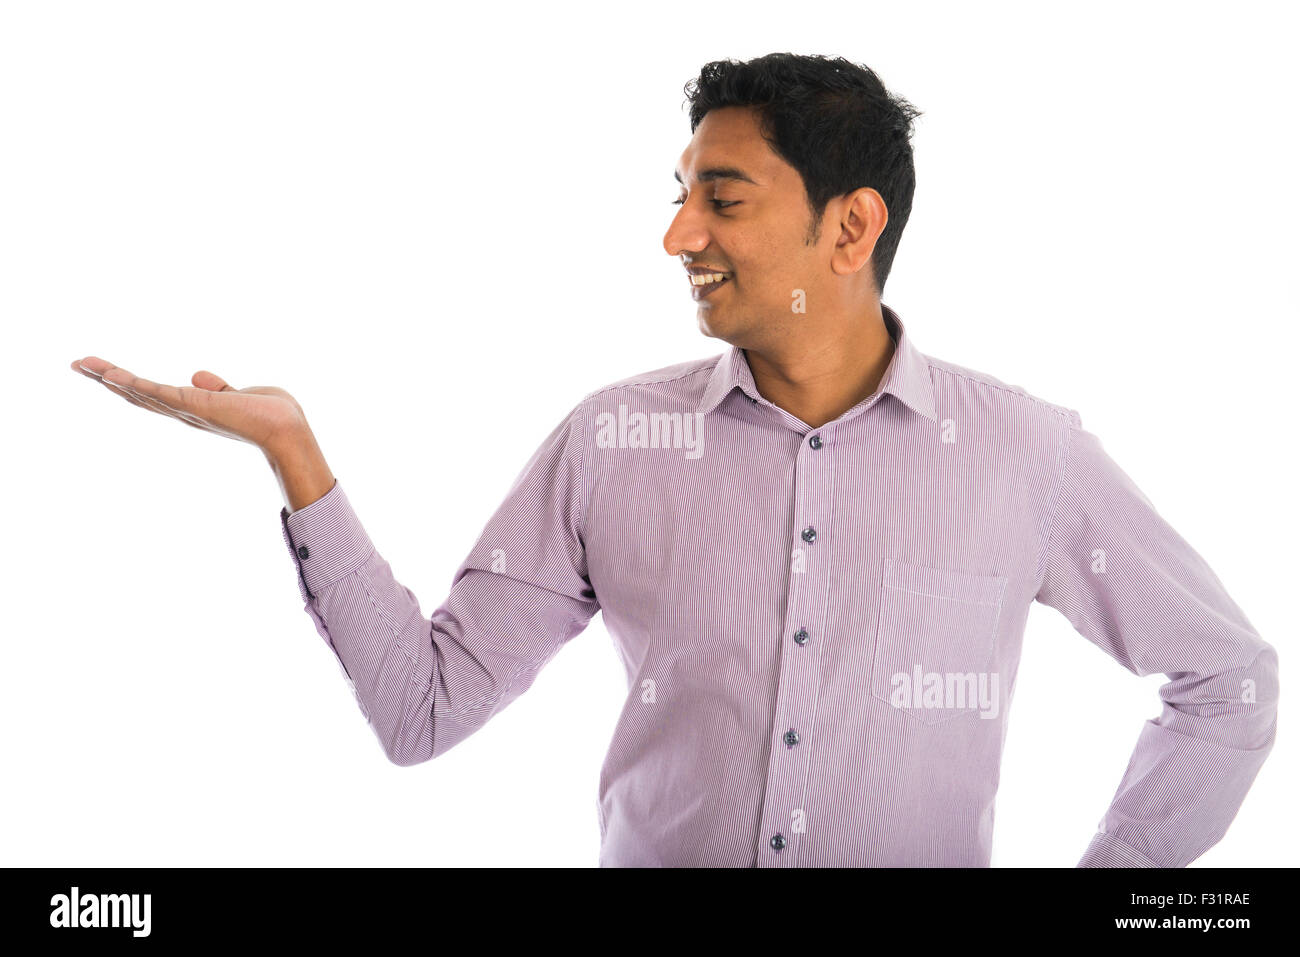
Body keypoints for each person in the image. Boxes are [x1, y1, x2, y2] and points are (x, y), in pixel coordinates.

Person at [70, 52, 1277, 867]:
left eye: (723, 199)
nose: (676, 235)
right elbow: (422, 713)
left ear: (850, 225)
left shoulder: (1024, 454)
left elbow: (1229, 683)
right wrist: (296, 456)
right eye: (679, 194)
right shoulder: (612, 442)